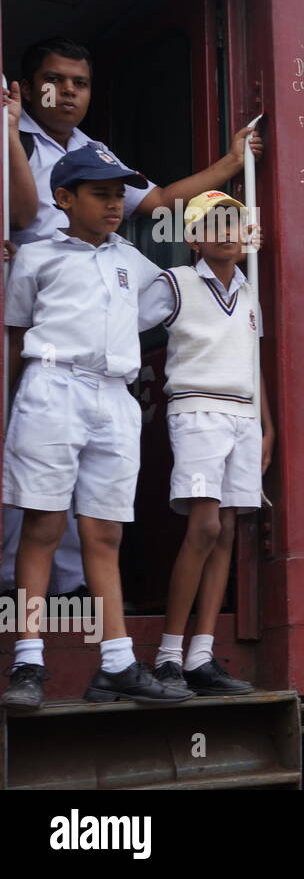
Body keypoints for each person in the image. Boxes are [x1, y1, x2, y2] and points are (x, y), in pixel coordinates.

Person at [0, 36, 263, 601]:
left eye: (80, 83)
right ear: (27, 86)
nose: (68, 91)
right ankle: (15, 603)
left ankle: (68, 599)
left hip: (92, 322)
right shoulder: (13, 133)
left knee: (88, 490)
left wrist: (232, 162)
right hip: (32, 310)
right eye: (55, 80)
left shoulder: (96, 154)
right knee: (25, 459)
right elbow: (22, 214)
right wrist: (8, 130)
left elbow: (162, 200)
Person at [1, 148, 192, 709]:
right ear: (64, 199)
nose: (115, 204)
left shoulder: (133, 261)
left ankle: (116, 662)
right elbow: (15, 335)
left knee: (104, 533)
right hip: (51, 386)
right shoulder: (34, 258)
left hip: (115, 396)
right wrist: (11, 410)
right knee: (41, 525)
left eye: (118, 194)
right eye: (100, 193)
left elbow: (164, 303)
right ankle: (28, 661)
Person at [141, 192, 272, 696]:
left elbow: (252, 363)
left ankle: (201, 655)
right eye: (214, 225)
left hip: (242, 415)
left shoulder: (248, 291)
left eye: (236, 224)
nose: (227, 233)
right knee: (204, 524)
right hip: (196, 409)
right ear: (193, 238)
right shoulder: (176, 282)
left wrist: (268, 425)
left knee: (228, 532)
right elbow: (120, 321)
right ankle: (167, 655)